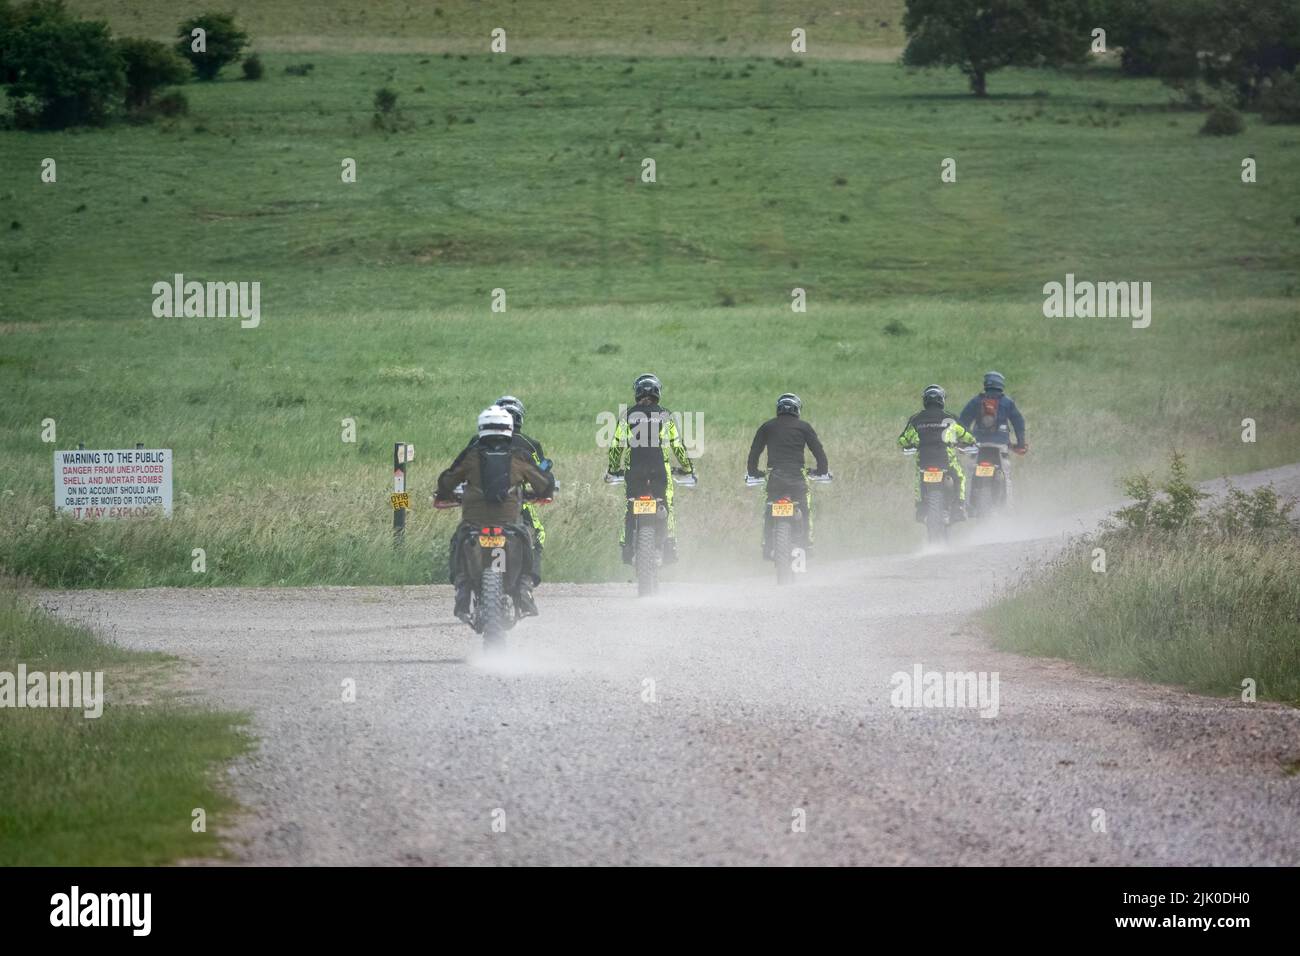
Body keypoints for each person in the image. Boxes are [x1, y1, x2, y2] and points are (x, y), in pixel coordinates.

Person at [437, 406, 555, 621]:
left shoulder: (471, 455)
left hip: (474, 522)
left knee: (458, 542)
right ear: (509, 428)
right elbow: (545, 483)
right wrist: (542, 493)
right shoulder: (519, 457)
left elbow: (447, 480)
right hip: (509, 521)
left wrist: (443, 494)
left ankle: (462, 592)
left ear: (482, 428)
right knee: (530, 541)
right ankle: (524, 589)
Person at [606, 373, 695, 564]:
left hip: (634, 470)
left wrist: (613, 469)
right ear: (658, 393)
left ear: (637, 394)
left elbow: (616, 446)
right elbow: (677, 446)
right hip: (659, 470)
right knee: (667, 503)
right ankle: (670, 545)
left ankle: (626, 545)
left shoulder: (627, 415)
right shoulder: (665, 415)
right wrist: (687, 468)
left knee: (630, 506)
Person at [746, 392, 829, 558]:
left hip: (774, 477)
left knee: (768, 509)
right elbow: (819, 452)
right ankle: (807, 545)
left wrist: (753, 472)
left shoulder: (767, 427)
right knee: (805, 509)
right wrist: (821, 471)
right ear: (797, 409)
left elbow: (754, 452)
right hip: (797, 477)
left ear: (778, 409)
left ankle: (767, 546)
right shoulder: (804, 427)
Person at [897, 384, 977, 521]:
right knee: (960, 477)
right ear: (941, 400)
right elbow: (966, 435)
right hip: (945, 458)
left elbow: (902, 440)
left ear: (925, 400)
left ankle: (921, 508)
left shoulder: (915, 419)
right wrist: (971, 442)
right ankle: (958, 506)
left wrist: (910, 445)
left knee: (918, 478)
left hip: (924, 459)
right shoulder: (950, 418)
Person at [957, 371, 1027, 504]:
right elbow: (1019, 422)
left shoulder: (976, 401)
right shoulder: (1007, 402)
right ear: (1001, 385)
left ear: (985, 384)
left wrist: (962, 441)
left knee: (971, 473)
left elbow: (962, 422)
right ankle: (1008, 508)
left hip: (978, 444)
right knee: (1006, 475)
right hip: (1000, 445)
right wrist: (1021, 443)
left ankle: (966, 506)